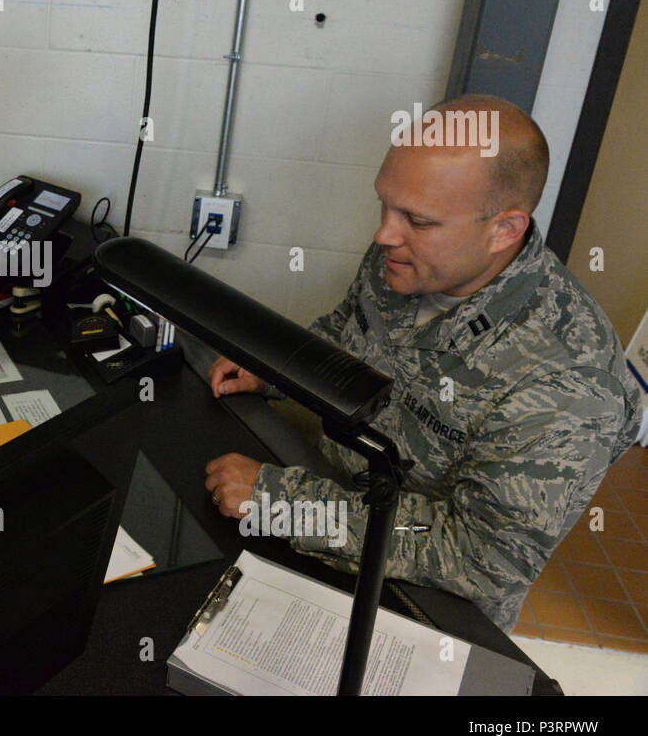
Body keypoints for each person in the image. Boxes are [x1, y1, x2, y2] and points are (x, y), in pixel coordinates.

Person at [204, 94, 640, 630]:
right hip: (326, 520)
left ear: (505, 229)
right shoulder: (410, 259)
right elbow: (349, 335)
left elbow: (480, 555)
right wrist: (279, 370)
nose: (384, 234)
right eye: (385, 205)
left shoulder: (568, 380)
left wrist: (282, 501)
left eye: (417, 219)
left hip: (419, 609)